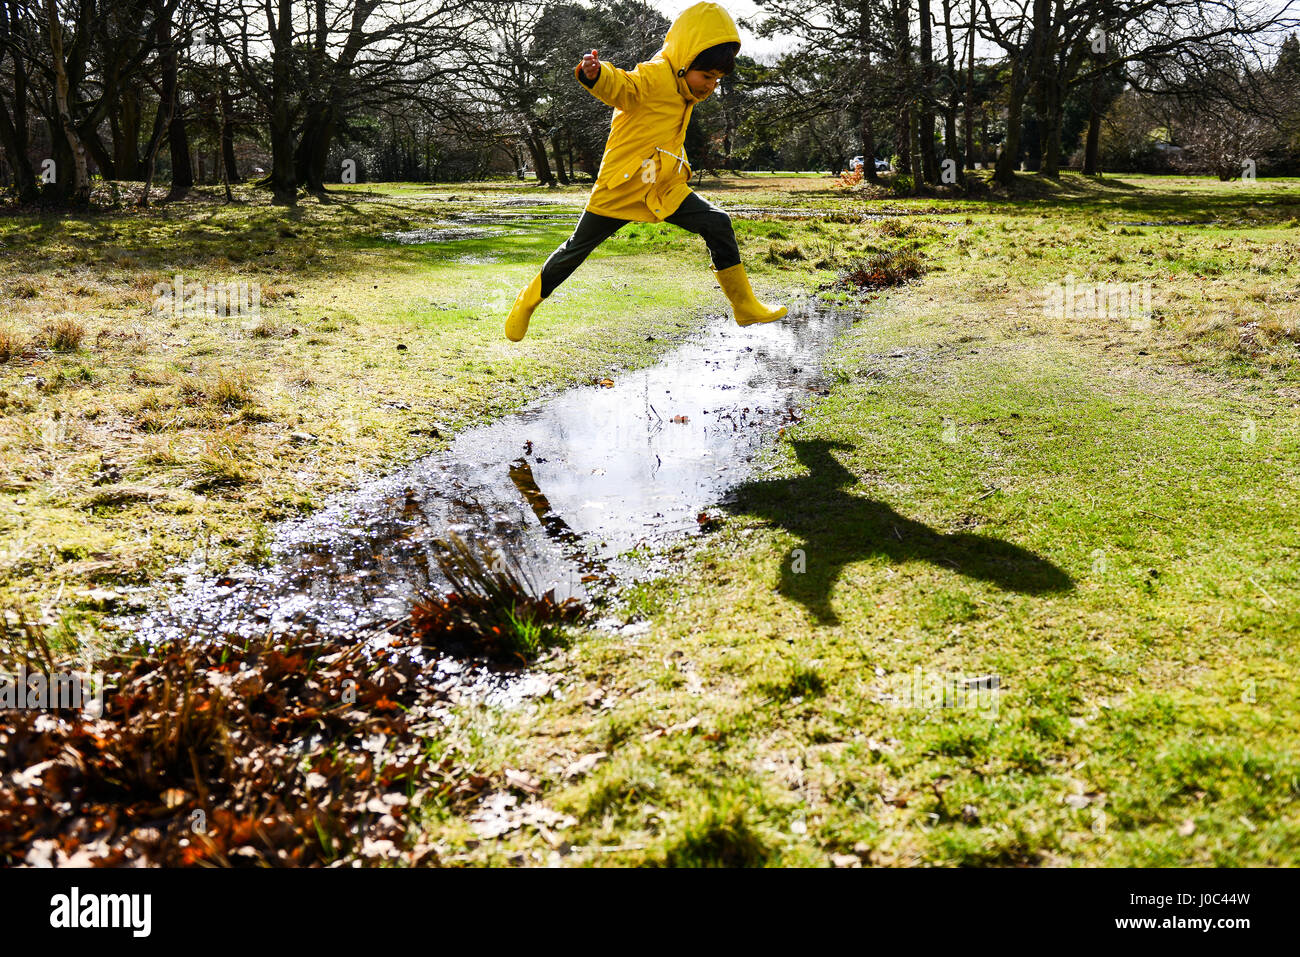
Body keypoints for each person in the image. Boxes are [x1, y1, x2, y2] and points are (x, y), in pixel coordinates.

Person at [504, 1, 787, 342]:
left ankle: (744, 307)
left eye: (717, 79)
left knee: (717, 223)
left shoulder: (686, 92)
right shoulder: (654, 77)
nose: (711, 85)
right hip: (622, 186)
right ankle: (528, 301)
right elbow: (622, 86)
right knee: (576, 249)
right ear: (684, 63)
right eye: (706, 75)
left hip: (663, 186)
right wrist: (596, 74)